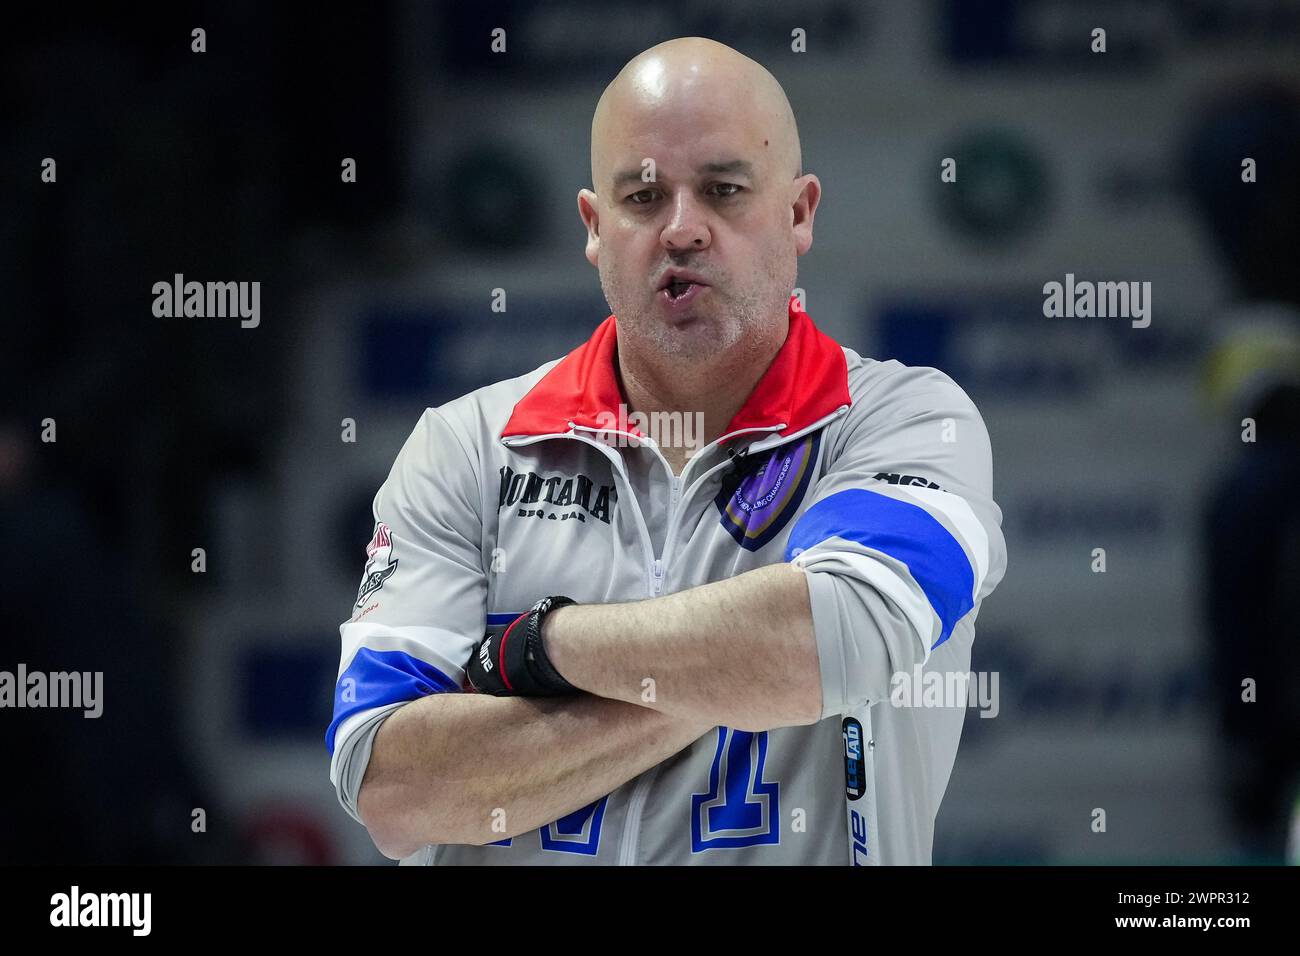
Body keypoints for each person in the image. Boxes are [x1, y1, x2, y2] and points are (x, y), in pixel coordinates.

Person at [326, 37, 1007, 865]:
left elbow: (834, 641)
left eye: (724, 191)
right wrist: (729, 670)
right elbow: (392, 789)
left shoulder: (908, 420)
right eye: (643, 196)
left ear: (799, 213)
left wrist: (543, 647)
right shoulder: (466, 446)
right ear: (594, 227)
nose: (683, 229)